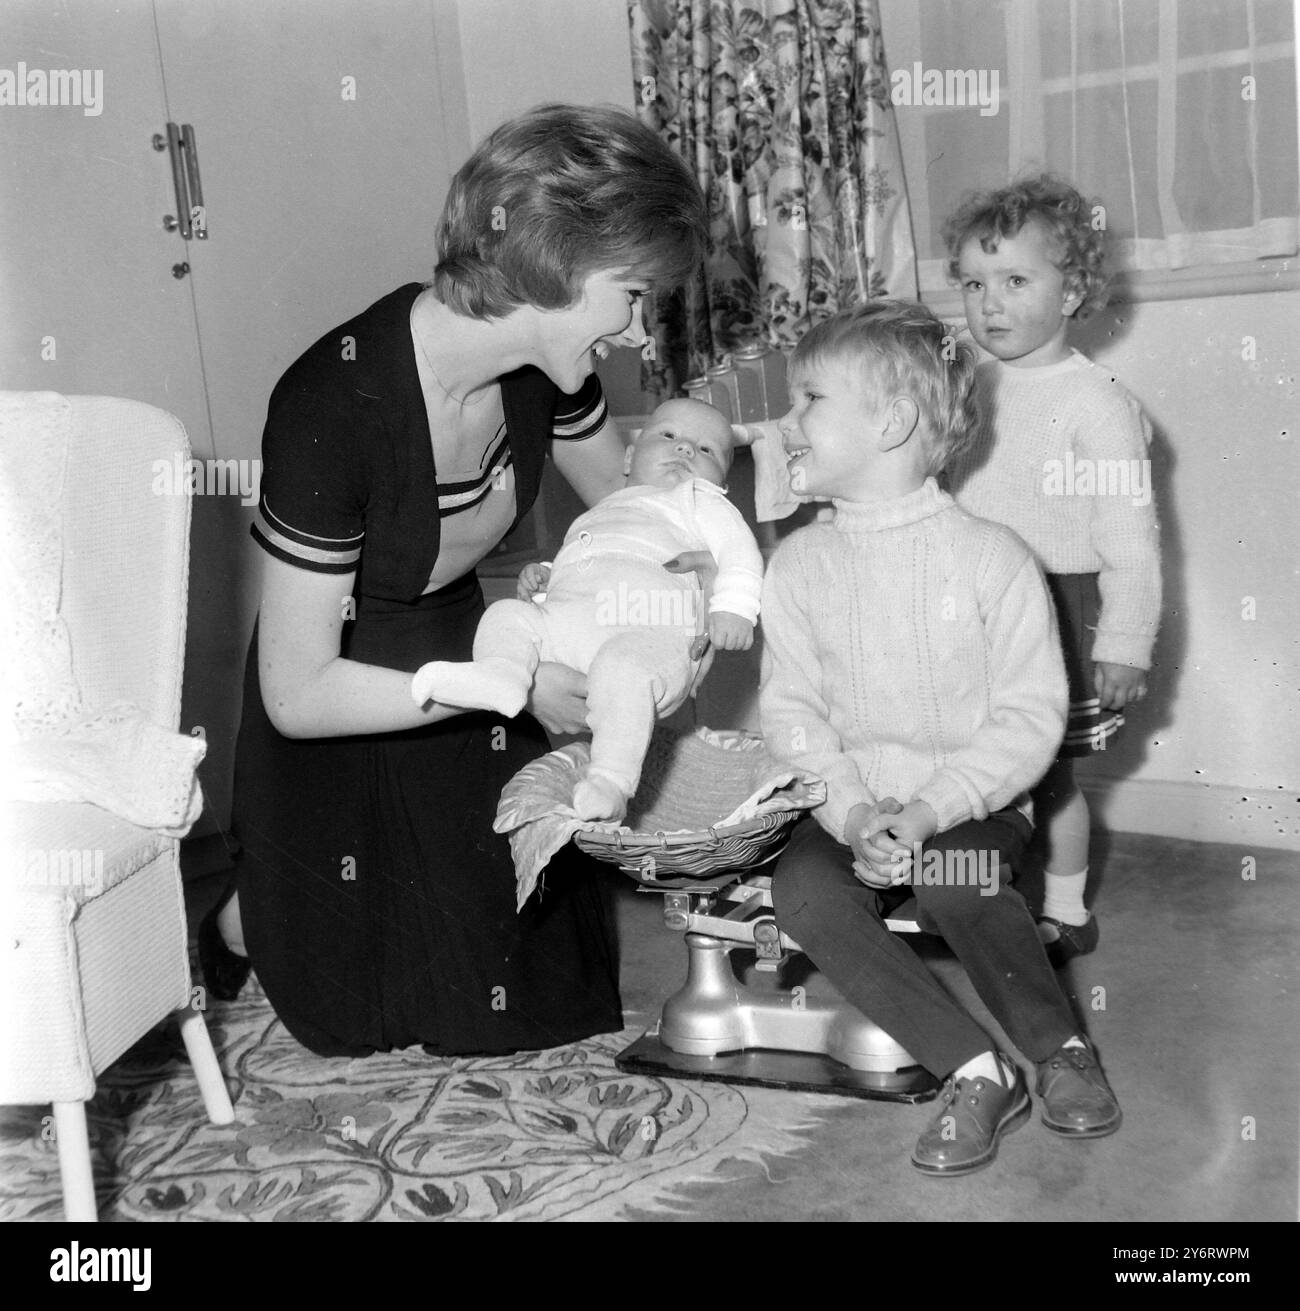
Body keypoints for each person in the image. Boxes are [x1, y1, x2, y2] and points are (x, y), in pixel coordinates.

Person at [198, 103, 708, 1058]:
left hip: (475, 654)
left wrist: (689, 599)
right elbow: (296, 693)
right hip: (346, 697)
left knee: (531, 991)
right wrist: (513, 687)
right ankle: (242, 913)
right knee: (359, 1001)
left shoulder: (551, 369)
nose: (641, 333)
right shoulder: (331, 401)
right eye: (633, 296)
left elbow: (635, 520)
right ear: (555, 261)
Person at [760, 301, 1121, 1176]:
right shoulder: (797, 564)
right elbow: (793, 713)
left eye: (809, 398)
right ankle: (974, 1065)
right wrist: (853, 815)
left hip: (973, 806)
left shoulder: (993, 557)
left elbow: (1029, 720)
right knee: (800, 892)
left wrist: (928, 810)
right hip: (851, 806)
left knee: (953, 877)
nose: (786, 419)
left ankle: (1060, 1047)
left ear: (891, 421)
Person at [942, 175, 1161, 966]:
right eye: (973, 283)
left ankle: (1065, 909)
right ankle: (965, 896)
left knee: (1050, 775)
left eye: (1014, 281)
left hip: (1056, 609)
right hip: (967, 603)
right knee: (964, 764)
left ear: (1070, 293)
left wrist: (1125, 642)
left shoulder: (1098, 403)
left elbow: (1130, 538)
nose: (989, 303)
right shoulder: (960, 382)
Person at [410, 398, 761, 822]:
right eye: (669, 435)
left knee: (625, 668)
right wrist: (545, 576)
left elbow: (740, 553)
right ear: (628, 458)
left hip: (647, 634)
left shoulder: (700, 501)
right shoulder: (601, 512)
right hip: (573, 626)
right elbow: (584, 561)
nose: (685, 448)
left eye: (706, 450)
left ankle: (610, 782)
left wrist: (735, 607)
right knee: (506, 616)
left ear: (721, 482)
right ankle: (501, 674)